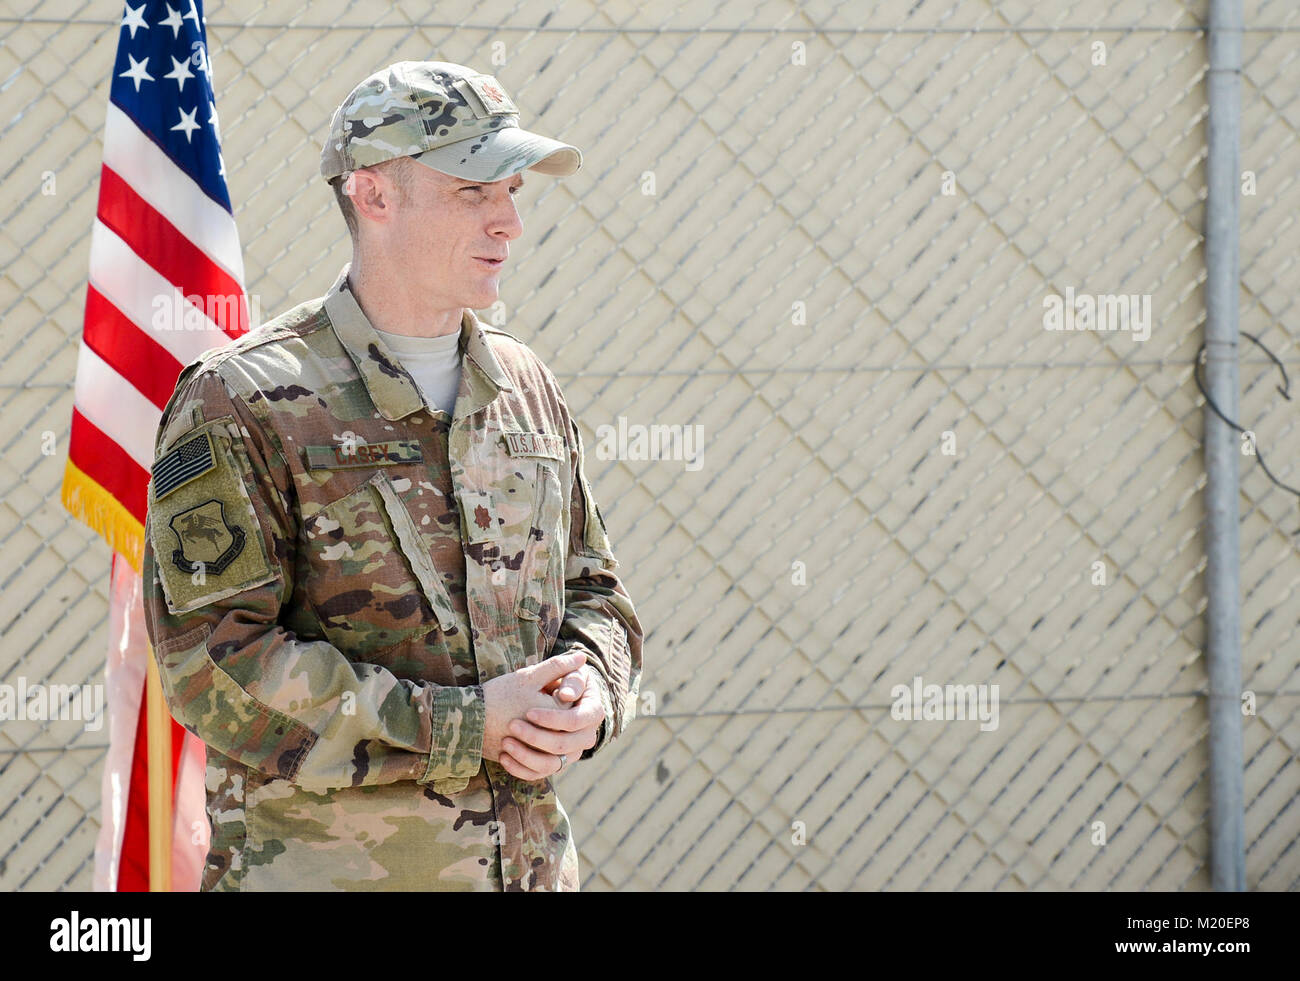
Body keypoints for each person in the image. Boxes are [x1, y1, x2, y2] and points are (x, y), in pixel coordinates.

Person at [141, 60, 643, 892]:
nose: (509, 222)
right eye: (473, 191)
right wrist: (466, 726)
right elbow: (214, 665)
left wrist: (590, 687)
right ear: (373, 196)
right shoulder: (245, 398)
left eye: (513, 190)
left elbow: (595, 589)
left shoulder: (523, 387)